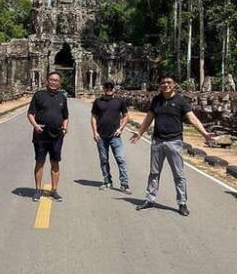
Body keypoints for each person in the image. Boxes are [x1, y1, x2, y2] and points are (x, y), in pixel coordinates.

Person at [129, 75, 213, 216]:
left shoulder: (181, 101)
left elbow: (192, 118)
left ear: (174, 85)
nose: (166, 85)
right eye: (163, 82)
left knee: (178, 175)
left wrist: (204, 133)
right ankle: (150, 200)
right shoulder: (156, 100)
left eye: (169, 82)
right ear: (159, 85)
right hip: (157, 141)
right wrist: (139, 133)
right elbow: (149, 118)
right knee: (154, 173)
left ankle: (182, 203)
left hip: (174, 142)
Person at [27, 71, 69, 202]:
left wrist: (65, 128)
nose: (53, 82)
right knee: (40, 162)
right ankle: (38, 190)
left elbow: (66, 116)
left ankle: (54, 190)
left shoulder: (62, 97)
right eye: (51, 79)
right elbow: (30, 113)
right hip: (41, 134)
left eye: (56, 80)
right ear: (47, 81)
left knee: (55, 162)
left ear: (59, 82)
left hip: (57, 135)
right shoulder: (39, 95)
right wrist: (35, 126)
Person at [91, 80, 131, 193]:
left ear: (114, 89)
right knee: (104, 160)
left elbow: (126, 115)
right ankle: (107, 181)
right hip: (101, 136)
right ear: (103, 89)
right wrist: (95, 132)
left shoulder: (119, 101)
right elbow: (93, 117)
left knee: (120, 159)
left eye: (110, 88)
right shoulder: (98, 102)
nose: (108, 89)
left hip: (115, 136)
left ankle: (124, 184)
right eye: (106, 87)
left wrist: (121, 128)